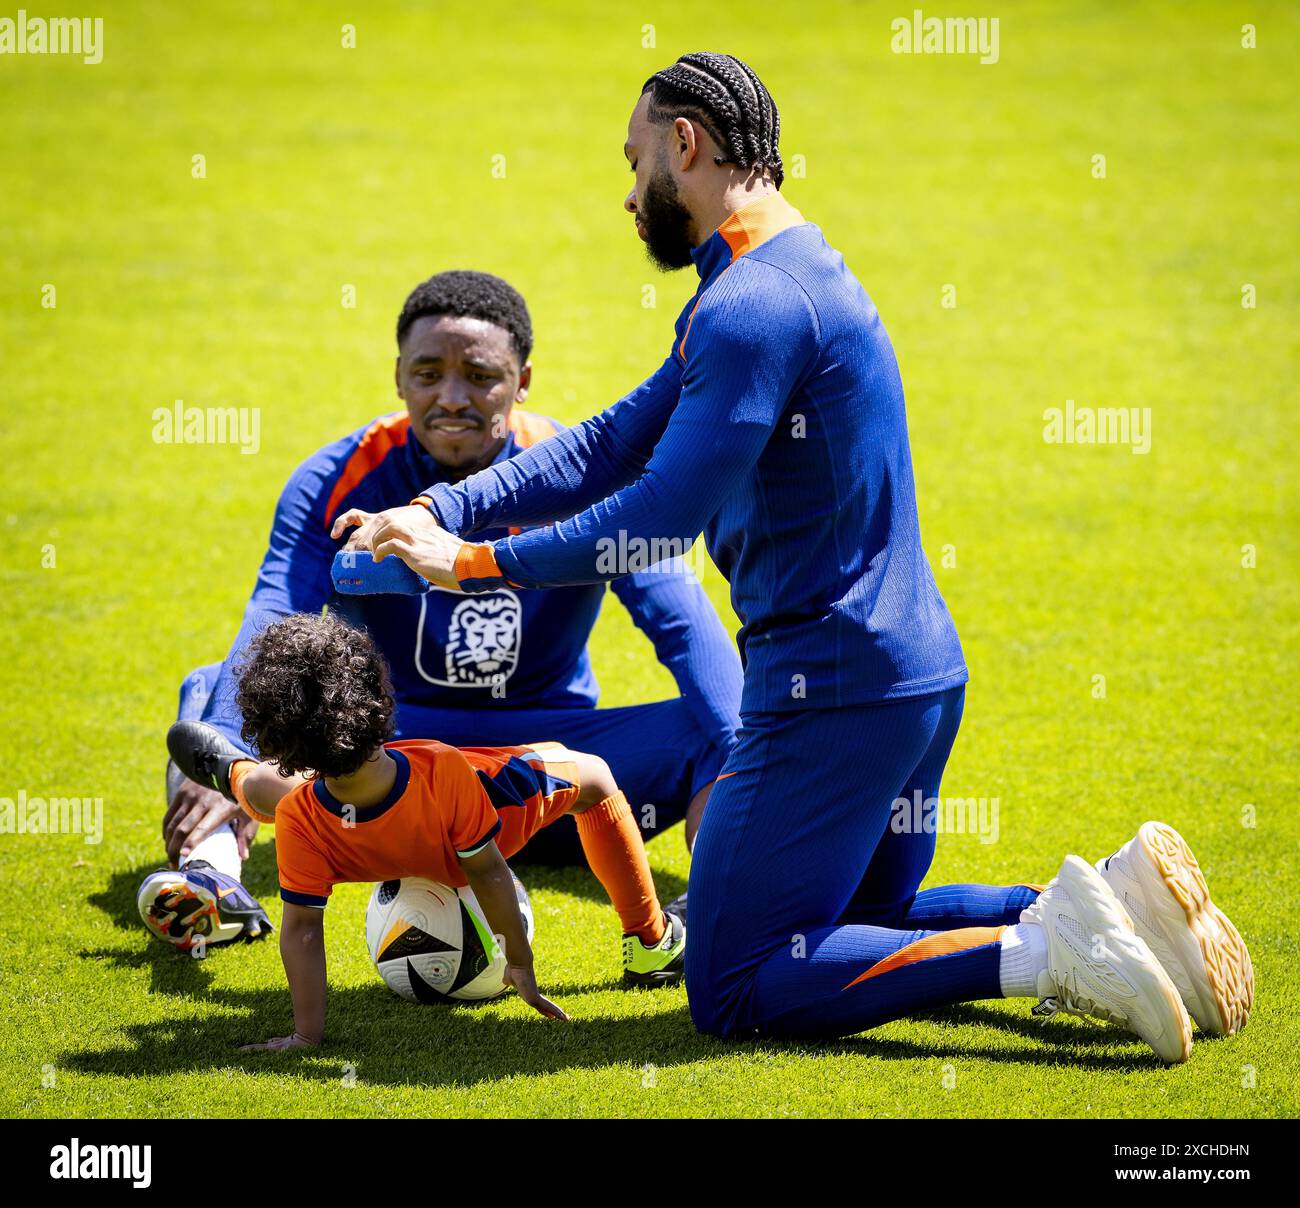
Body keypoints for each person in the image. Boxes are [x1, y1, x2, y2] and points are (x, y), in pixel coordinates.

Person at [334, 52, 1252, 1059]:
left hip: (830, 693)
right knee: (858, 914)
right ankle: (1105, 905)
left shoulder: (749, 309)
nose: (628, 194)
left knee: (733, 981)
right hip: (908, 678)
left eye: (635, 159)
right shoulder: (777, 272)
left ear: (684, 144)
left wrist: (466, 562)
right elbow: (609, 440)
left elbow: (658, 511)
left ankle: (1044, 954)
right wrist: (443, 503)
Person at [139, 270, 741, 947]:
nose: (450, 399)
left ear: (523, 380)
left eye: (480, 376)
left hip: (545, 776)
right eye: (427, 374)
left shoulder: (584, 477)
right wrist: (231, 748)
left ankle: (726, 902)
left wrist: (746, 750)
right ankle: (214, 883)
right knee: (212, 693)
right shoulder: (336, 478)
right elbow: (277, 610)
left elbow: (685, 629)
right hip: (392, 770)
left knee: (726, 719)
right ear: (398, 377)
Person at [164, 613, 685, 1049]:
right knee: (590, 773)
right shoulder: (444, 771)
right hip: (479, 811)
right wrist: (519, 962)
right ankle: (650, 941)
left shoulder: (301, 816)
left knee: (267, 790)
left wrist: (307, 1035)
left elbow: (302, 928)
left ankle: (236, 772)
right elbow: (487, 871)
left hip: (342, 829)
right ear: (378, 699)